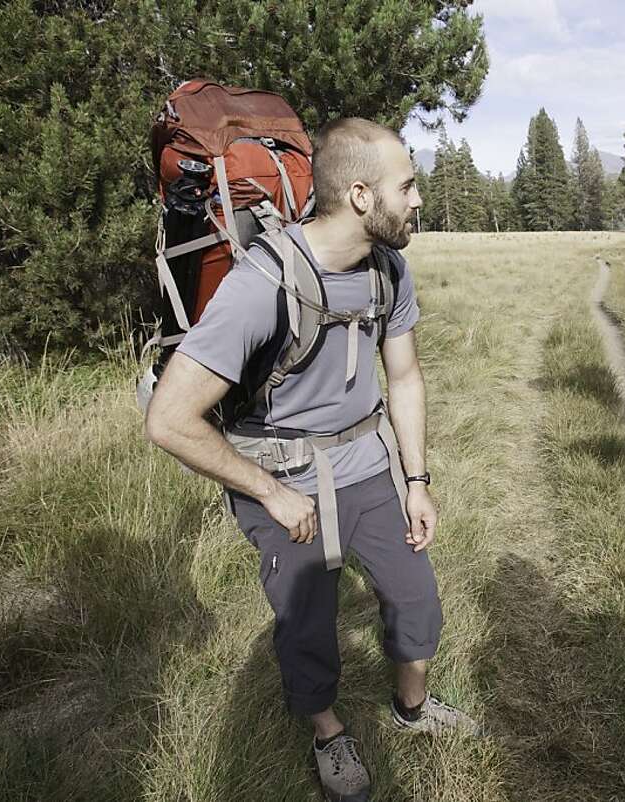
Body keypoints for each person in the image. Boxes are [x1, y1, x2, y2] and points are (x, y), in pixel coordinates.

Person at [145, 118, 475, 802]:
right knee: (308, 627)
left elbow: (405, 378)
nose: (417, 199)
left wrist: (416, 480)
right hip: (285, 481)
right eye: (406, 185)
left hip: (369, 466)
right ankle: (329, 733)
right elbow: (170, 419)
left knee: (419, 603)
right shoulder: (260, 284)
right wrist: (268, 492)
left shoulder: (389, 268)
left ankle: (411, 709)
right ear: (360, 195)